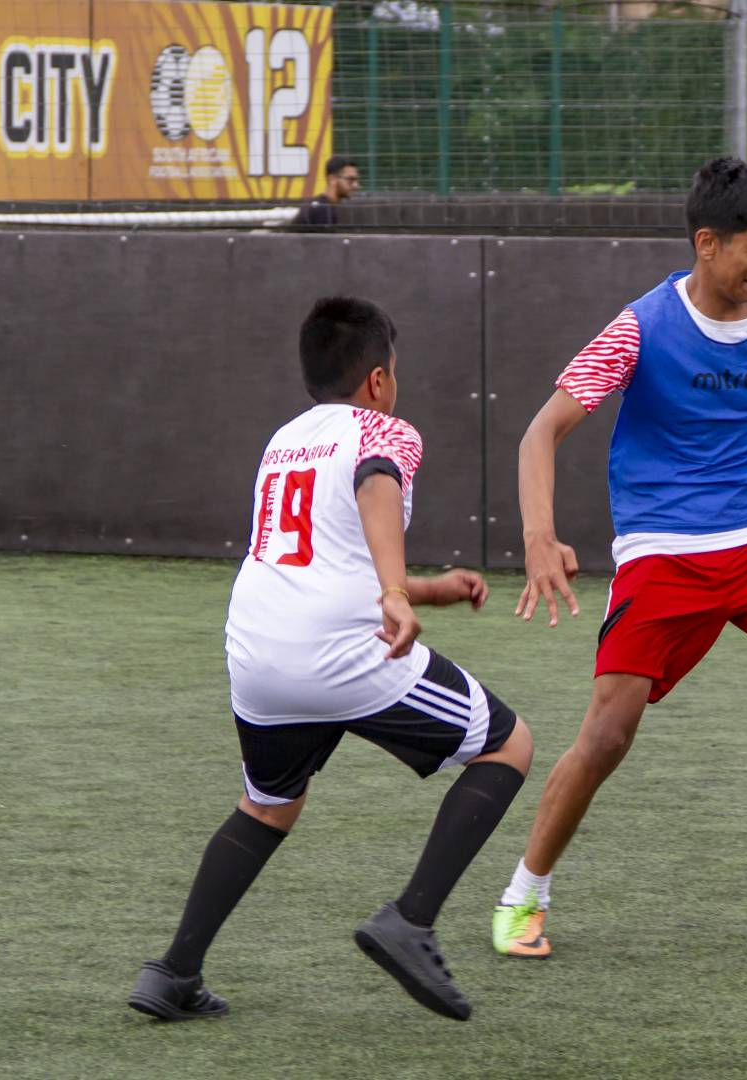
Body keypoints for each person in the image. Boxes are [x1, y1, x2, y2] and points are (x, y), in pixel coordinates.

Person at [492, 157, 747, 958]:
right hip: (663, 553)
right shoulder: (640, 327)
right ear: (706, 244)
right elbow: (542, 431)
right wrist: (540, 536)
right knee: (607, 734)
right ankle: (525, 891)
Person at [127, 296, 532, 1023]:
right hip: (341, 650)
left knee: (269, 804)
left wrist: (426, 590)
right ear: (378, 378)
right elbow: (376, 482)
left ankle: (173, 972)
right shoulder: (387, 429)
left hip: (255, 650)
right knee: (508, 746)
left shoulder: (284, 439)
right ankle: (410, 921)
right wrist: (393, 593)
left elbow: (322, 550)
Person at [293, 156, 361, 229]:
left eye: (356, 180)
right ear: (332, 179)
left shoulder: (323, 206)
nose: (356, 185)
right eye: (350, 179)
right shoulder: (322, 210)